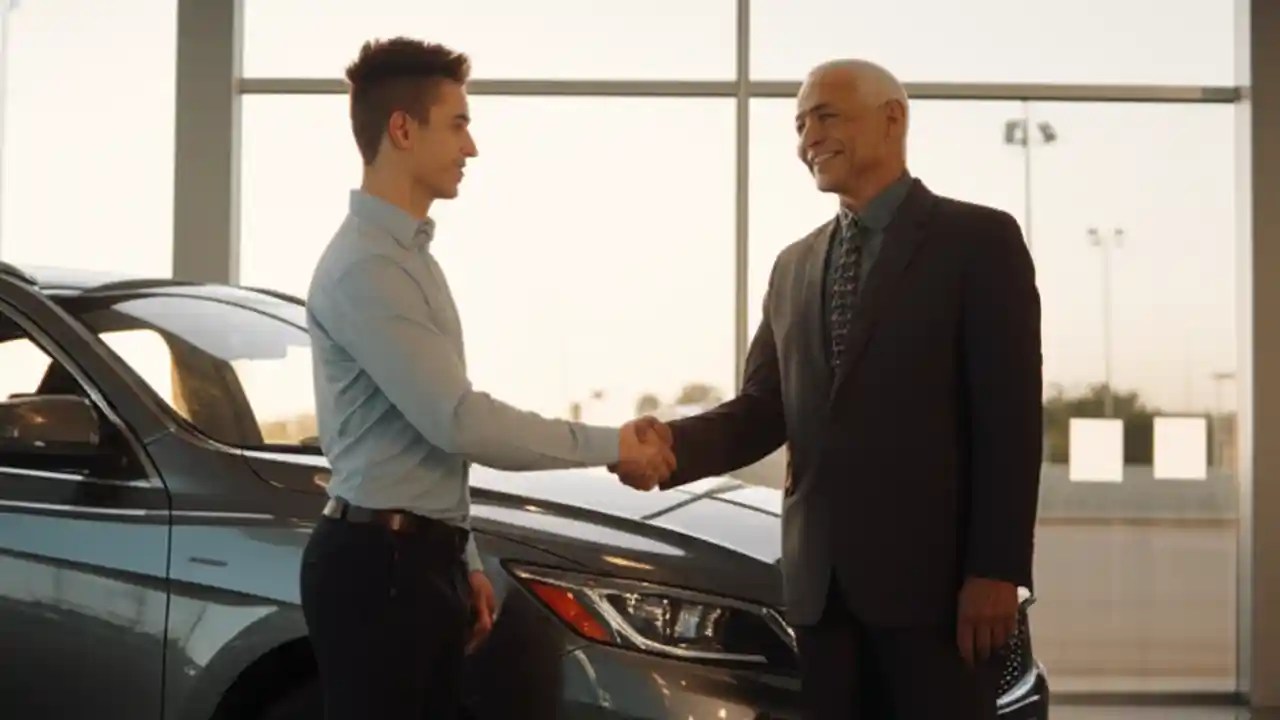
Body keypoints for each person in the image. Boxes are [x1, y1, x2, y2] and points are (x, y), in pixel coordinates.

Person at [620, 59, 1043, 719]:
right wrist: (671, 446)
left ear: (893, 118)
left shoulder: (978, 243)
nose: (806, 138)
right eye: (798, 124)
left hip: (940, 596)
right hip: (821, 598)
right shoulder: (793, 266)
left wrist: (997, 571)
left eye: (824, 115)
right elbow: (763, 411)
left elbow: (1010, 423)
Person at [299, 37, 675, 720]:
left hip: (416, 559)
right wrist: (614, 444)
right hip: (378, 570)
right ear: (403, 129)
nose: (471, 148)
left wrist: (462, 554)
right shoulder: (368, 269)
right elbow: (460, 421)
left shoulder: (409, 258)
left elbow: (430, 441)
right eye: (459, 124)